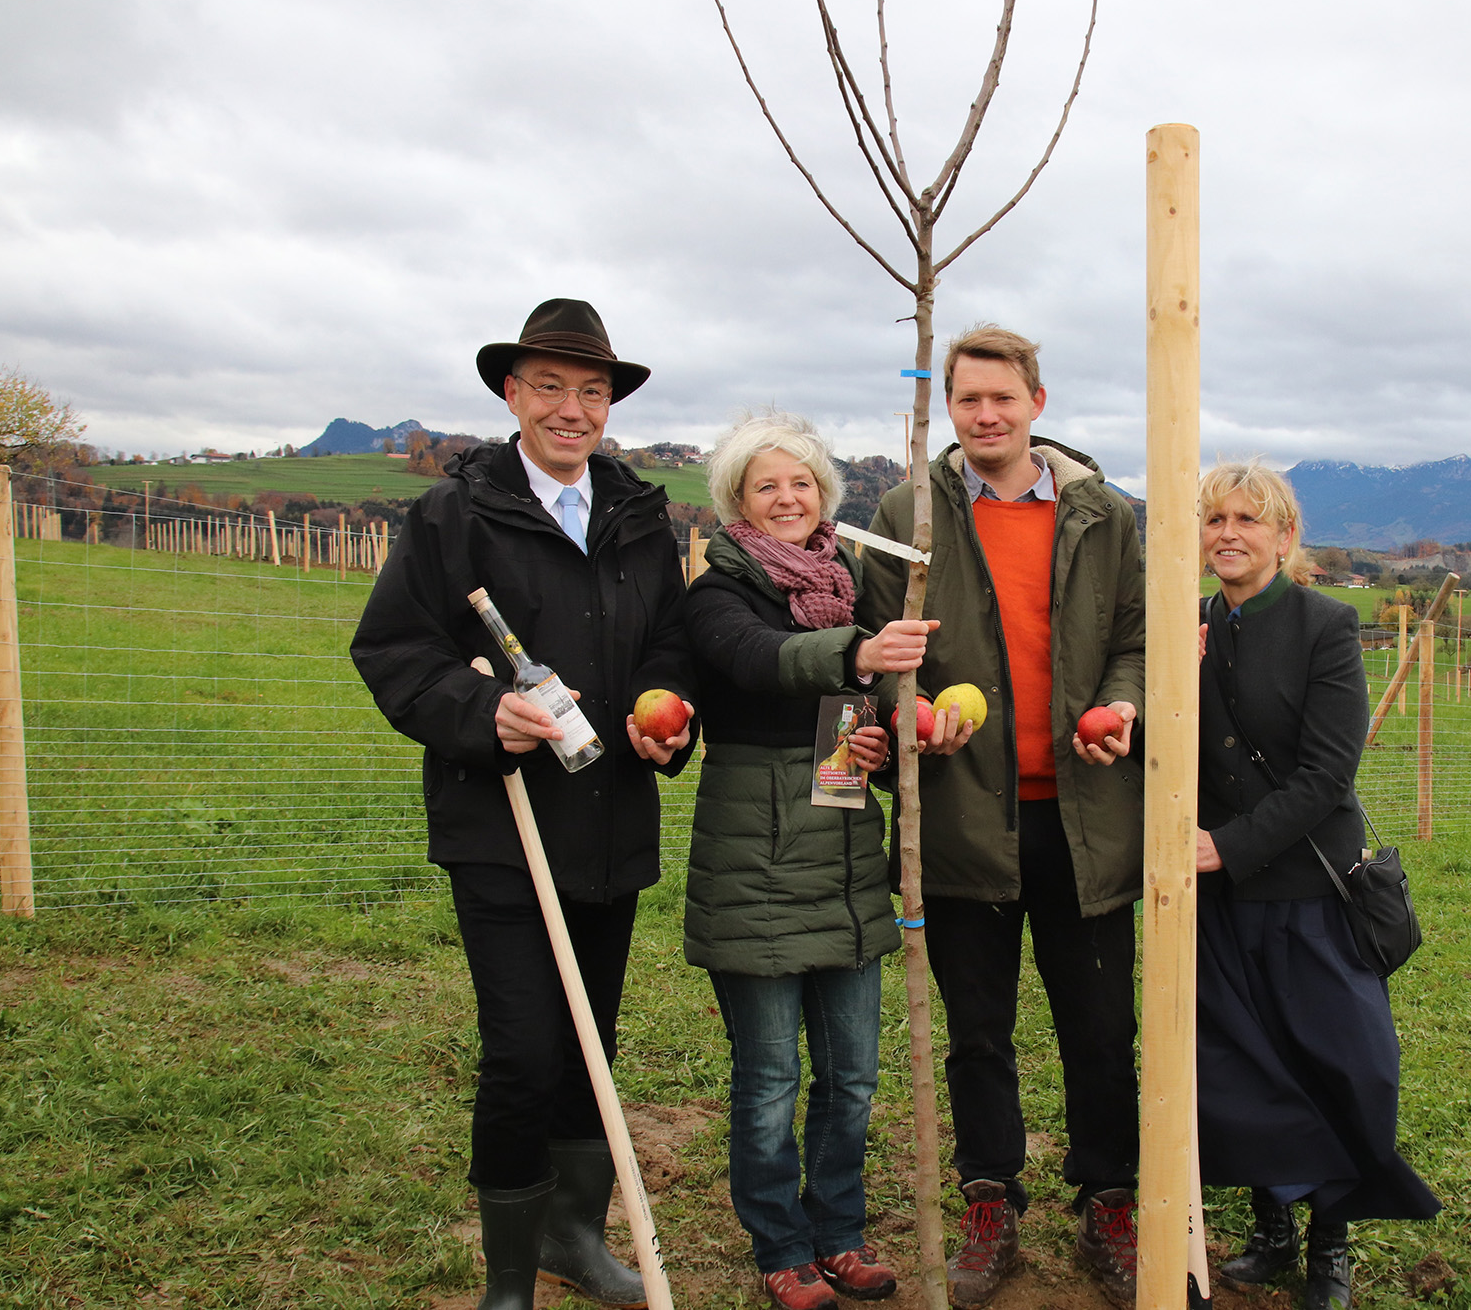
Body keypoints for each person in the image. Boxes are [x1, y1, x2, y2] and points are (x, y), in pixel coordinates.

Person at [352, 298, 695, 1310]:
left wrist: (663, 717)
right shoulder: (454, 515)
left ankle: (573, 1240)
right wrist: (480, 711)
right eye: (549, 386)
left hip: (610, 820)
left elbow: (670, 649)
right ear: (511, 392)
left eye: (590, 390)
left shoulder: (640, 518)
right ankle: (509, 1277)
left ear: (609, 404)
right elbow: (394, 650)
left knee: (592, 1046)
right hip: (502, 826)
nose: (570, 408)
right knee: (521, 1050)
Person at [858, 325, 1146, 1309]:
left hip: (1085, 817)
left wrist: (1124, 704)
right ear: (948, 406)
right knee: (977, 1031)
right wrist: (908, 713)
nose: (985, 415)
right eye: (967, 399)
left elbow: (1135, 638)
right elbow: (873, 650)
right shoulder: (908, 512)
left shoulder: (1102, 513)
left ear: (1037, 403)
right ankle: (990, 1198)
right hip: (960, 817)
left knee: (1101, 1028)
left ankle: (1109, 1197)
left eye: (1002, 398)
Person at [682, 410, 939, 1310]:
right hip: (755, 856)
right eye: (767, 485)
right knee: (769, 1079)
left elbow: (850, 715)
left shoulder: (844, 582)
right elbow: (761, 661)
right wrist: (859, 652)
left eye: (801, 482)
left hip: (842, 855)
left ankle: (838, 1233)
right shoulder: (718, 592)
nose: (787, 497)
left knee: (853, 1074)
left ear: (823, 494)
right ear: (738, 502)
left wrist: (871, 738)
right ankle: (780, 1245)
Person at [1193, 459, 1441, 1309]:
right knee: (1246, 1065)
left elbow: (1329, 771)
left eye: (1247, 519)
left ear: (1284, 536)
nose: (1228, 533)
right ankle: (1272, 1226)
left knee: (1343, 1063)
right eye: (1215, 518)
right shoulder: (1190, 628)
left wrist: (1227, 846)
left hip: (1308, 891)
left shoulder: (1327, 625)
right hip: (1222, 902)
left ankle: (1331, 1241)